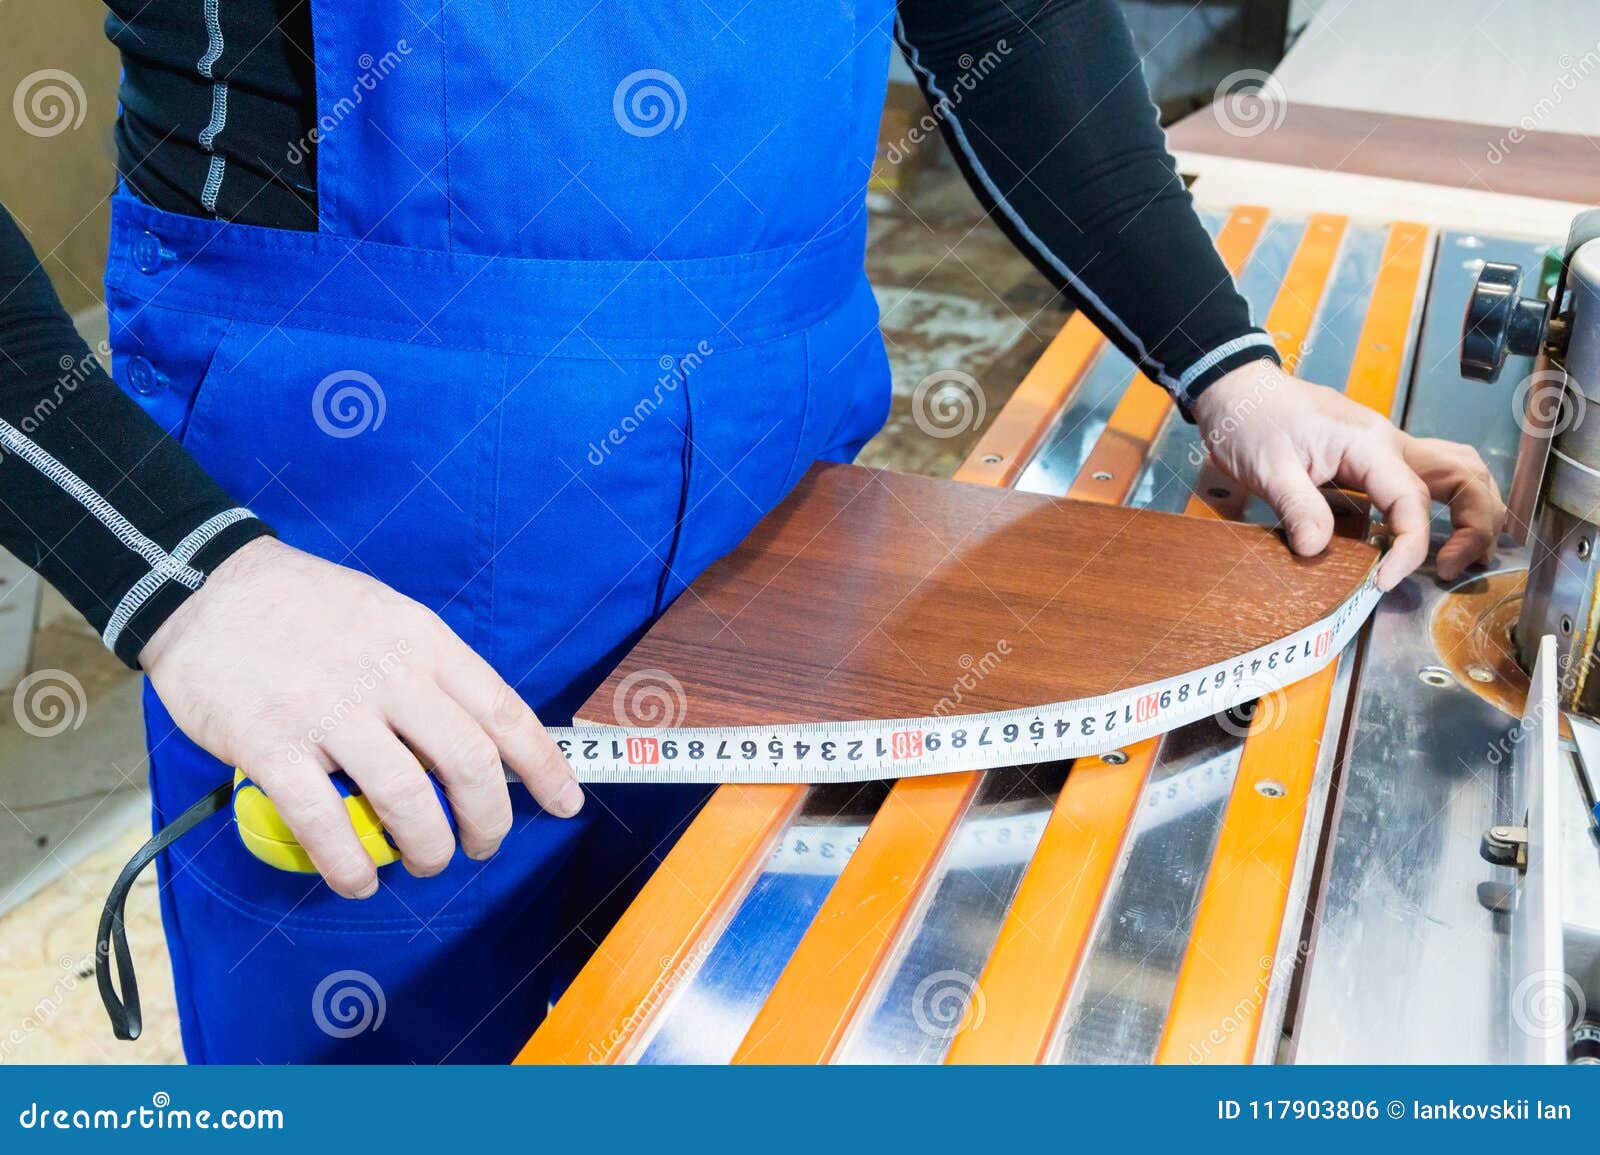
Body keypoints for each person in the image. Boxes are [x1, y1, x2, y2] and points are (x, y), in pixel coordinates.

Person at [0, 0, 1502, 1063]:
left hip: (781, 507)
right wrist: (177, 573)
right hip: (366, 521)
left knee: (754, 1015)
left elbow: (1006, 13)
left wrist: (1222, 362)